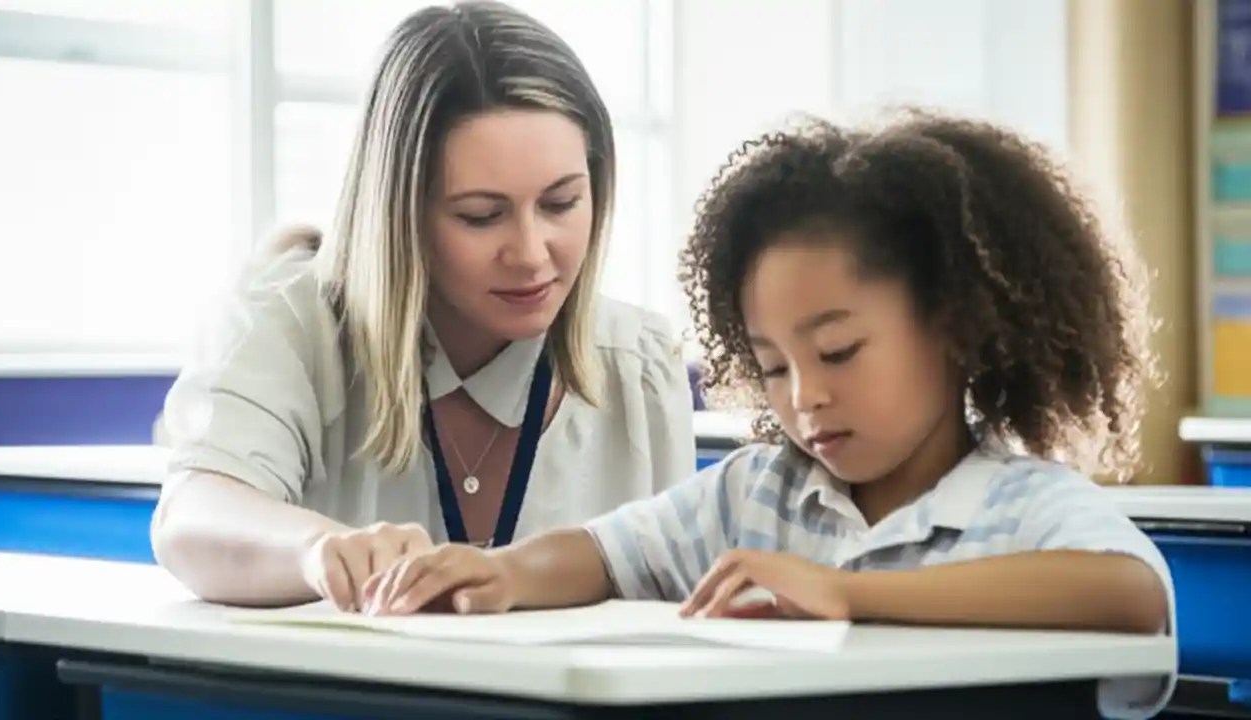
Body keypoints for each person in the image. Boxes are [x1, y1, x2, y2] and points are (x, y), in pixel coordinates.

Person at [360, 111, 1176, 718]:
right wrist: (501, 573)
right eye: (774, 364)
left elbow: (1129, 592)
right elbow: (602, 555)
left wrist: (843, 593)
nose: (803, 397)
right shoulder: (757, 496)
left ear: (957, 328)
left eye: (840, 352)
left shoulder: (1018, 502)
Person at [150, 0, 695, 612]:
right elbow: (192, 514)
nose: (531, 253)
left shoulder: (640, 363)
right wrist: (319, 551)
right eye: (480, 216)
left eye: (561, 203)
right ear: (398, 214)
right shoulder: (289, 327)